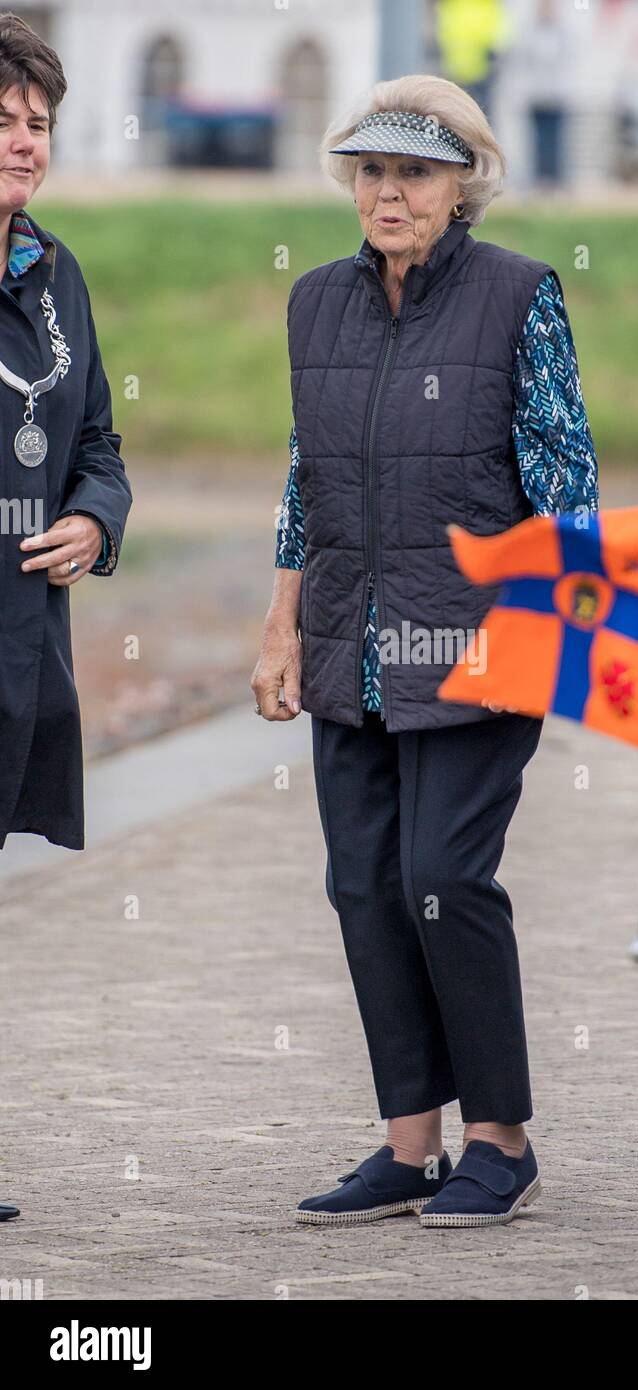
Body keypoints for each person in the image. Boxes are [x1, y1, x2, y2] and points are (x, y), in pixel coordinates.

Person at [251, 74, 597, 1228]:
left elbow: (564, 489)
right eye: (370, 169)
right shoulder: (315, 303)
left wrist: (568, 645)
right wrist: (281, 623)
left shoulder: (518, 298)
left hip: (480, 642)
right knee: (362, 886)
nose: (386, 191)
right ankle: (409, 1147)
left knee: (440, 877)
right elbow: (307, 476)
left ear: (464, 186)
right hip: (347, 637)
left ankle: (498, 1139)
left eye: (412, 171)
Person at [0, 15, 132, 1221]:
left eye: (37, 121)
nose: (23, 139)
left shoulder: (56, 275)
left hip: (19, 659)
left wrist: (93, 520)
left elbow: (98, 442)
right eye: (1, 117)